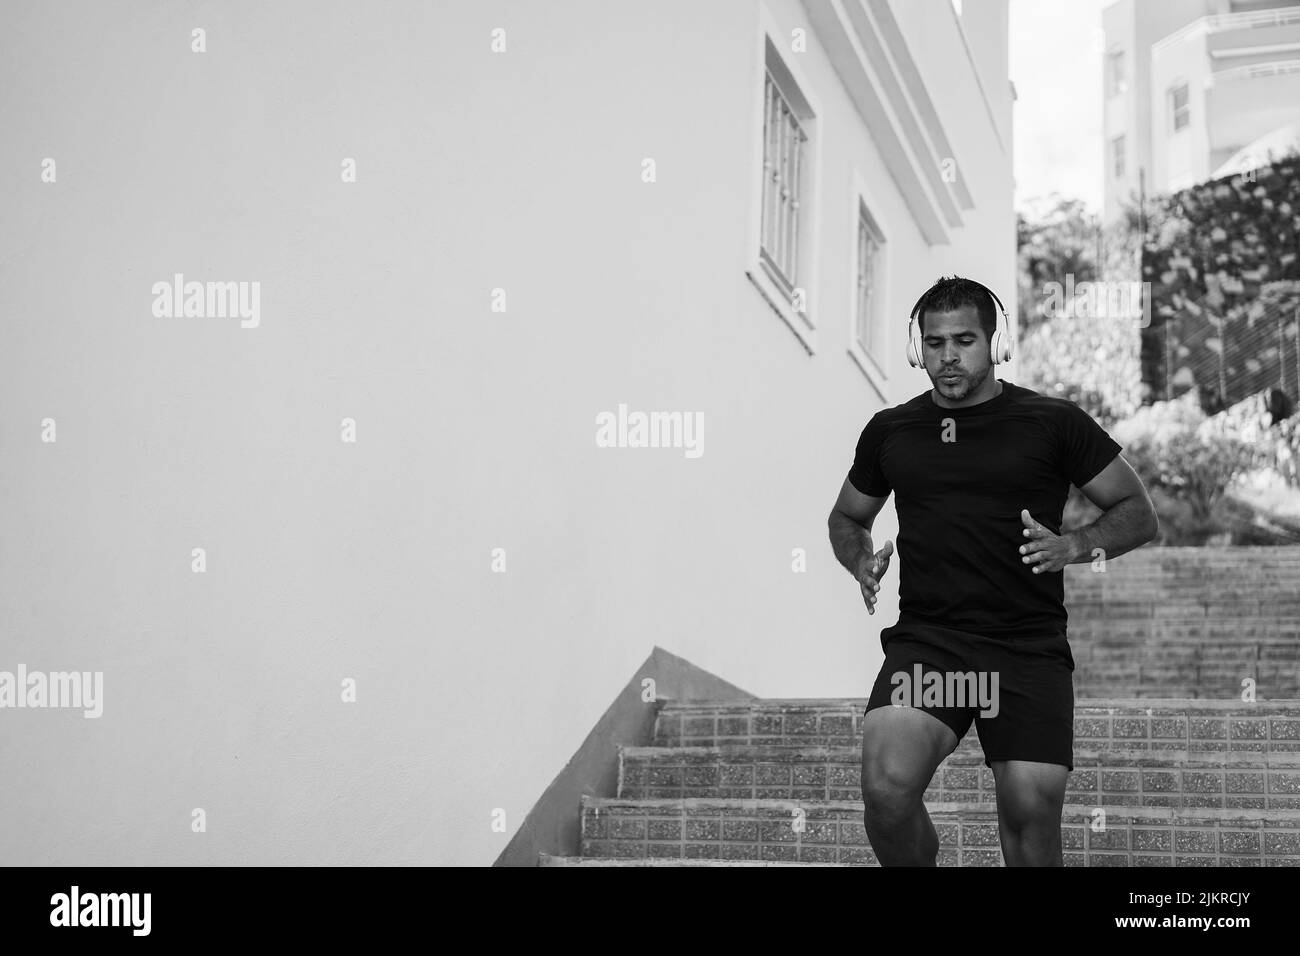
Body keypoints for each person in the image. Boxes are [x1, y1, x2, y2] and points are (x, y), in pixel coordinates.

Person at [827, 275, 1159, 866]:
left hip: (1026, 648)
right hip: (932, 644)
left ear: (996, 343)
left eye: (964, 340)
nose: (948, 357)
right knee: (885, 787)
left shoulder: (1052, 422)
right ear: (917, 349)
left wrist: (1076, 545)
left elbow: (1138, 513)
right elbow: (847, 517)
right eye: (934, 344)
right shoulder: (891, 431)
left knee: (1030, 811)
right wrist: (860, 559)